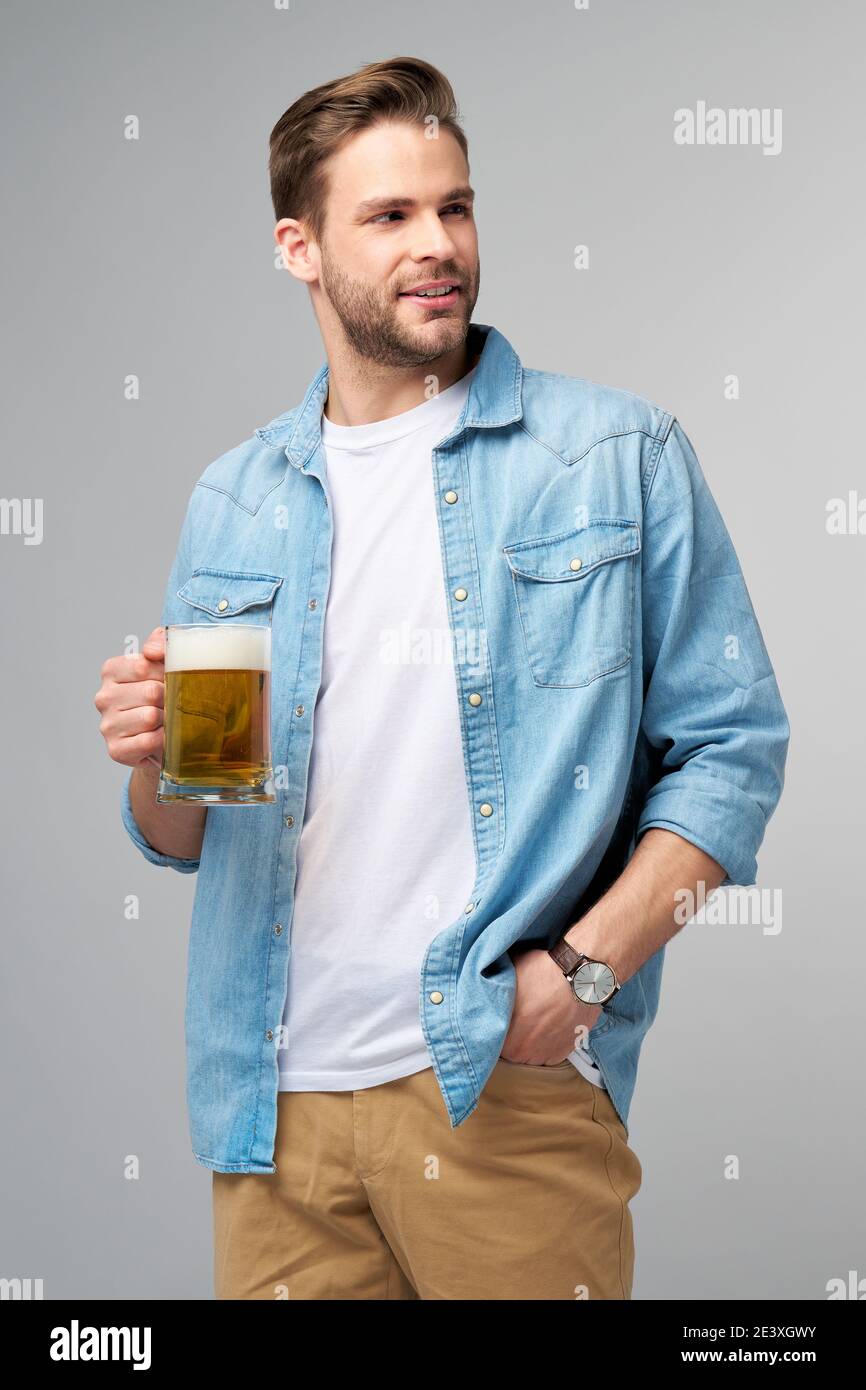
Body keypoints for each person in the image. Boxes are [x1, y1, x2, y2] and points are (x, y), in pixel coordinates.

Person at [94, 55, 790, 1300]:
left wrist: (579, 977)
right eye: (389, 215)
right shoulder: (235, 503)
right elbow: (196, 822)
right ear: (299, 249)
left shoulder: (613, 454)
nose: (438, 245)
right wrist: (156, 758)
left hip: (495, 1090)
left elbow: (732, 751)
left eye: (454, 206)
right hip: (273, 1121)